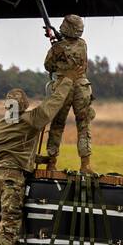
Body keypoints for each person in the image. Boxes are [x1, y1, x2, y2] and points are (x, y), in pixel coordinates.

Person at [0, 71, 78, 245]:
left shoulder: (1, 124)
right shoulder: (29, 121)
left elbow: (14, 150)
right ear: (23, 105)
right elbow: (52, 106)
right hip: (12, 177)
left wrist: (40, 160)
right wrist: (67, 82)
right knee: (11, 217)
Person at [43, 13, 95, 174]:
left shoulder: (57, 48)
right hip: (82, 86)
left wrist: (55, 44)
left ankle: (51, 163)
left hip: (63, 88)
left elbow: (48, 65)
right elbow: (83, 65)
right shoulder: (83, 45)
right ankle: (85, 164)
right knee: (84, 126)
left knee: (57, 125)